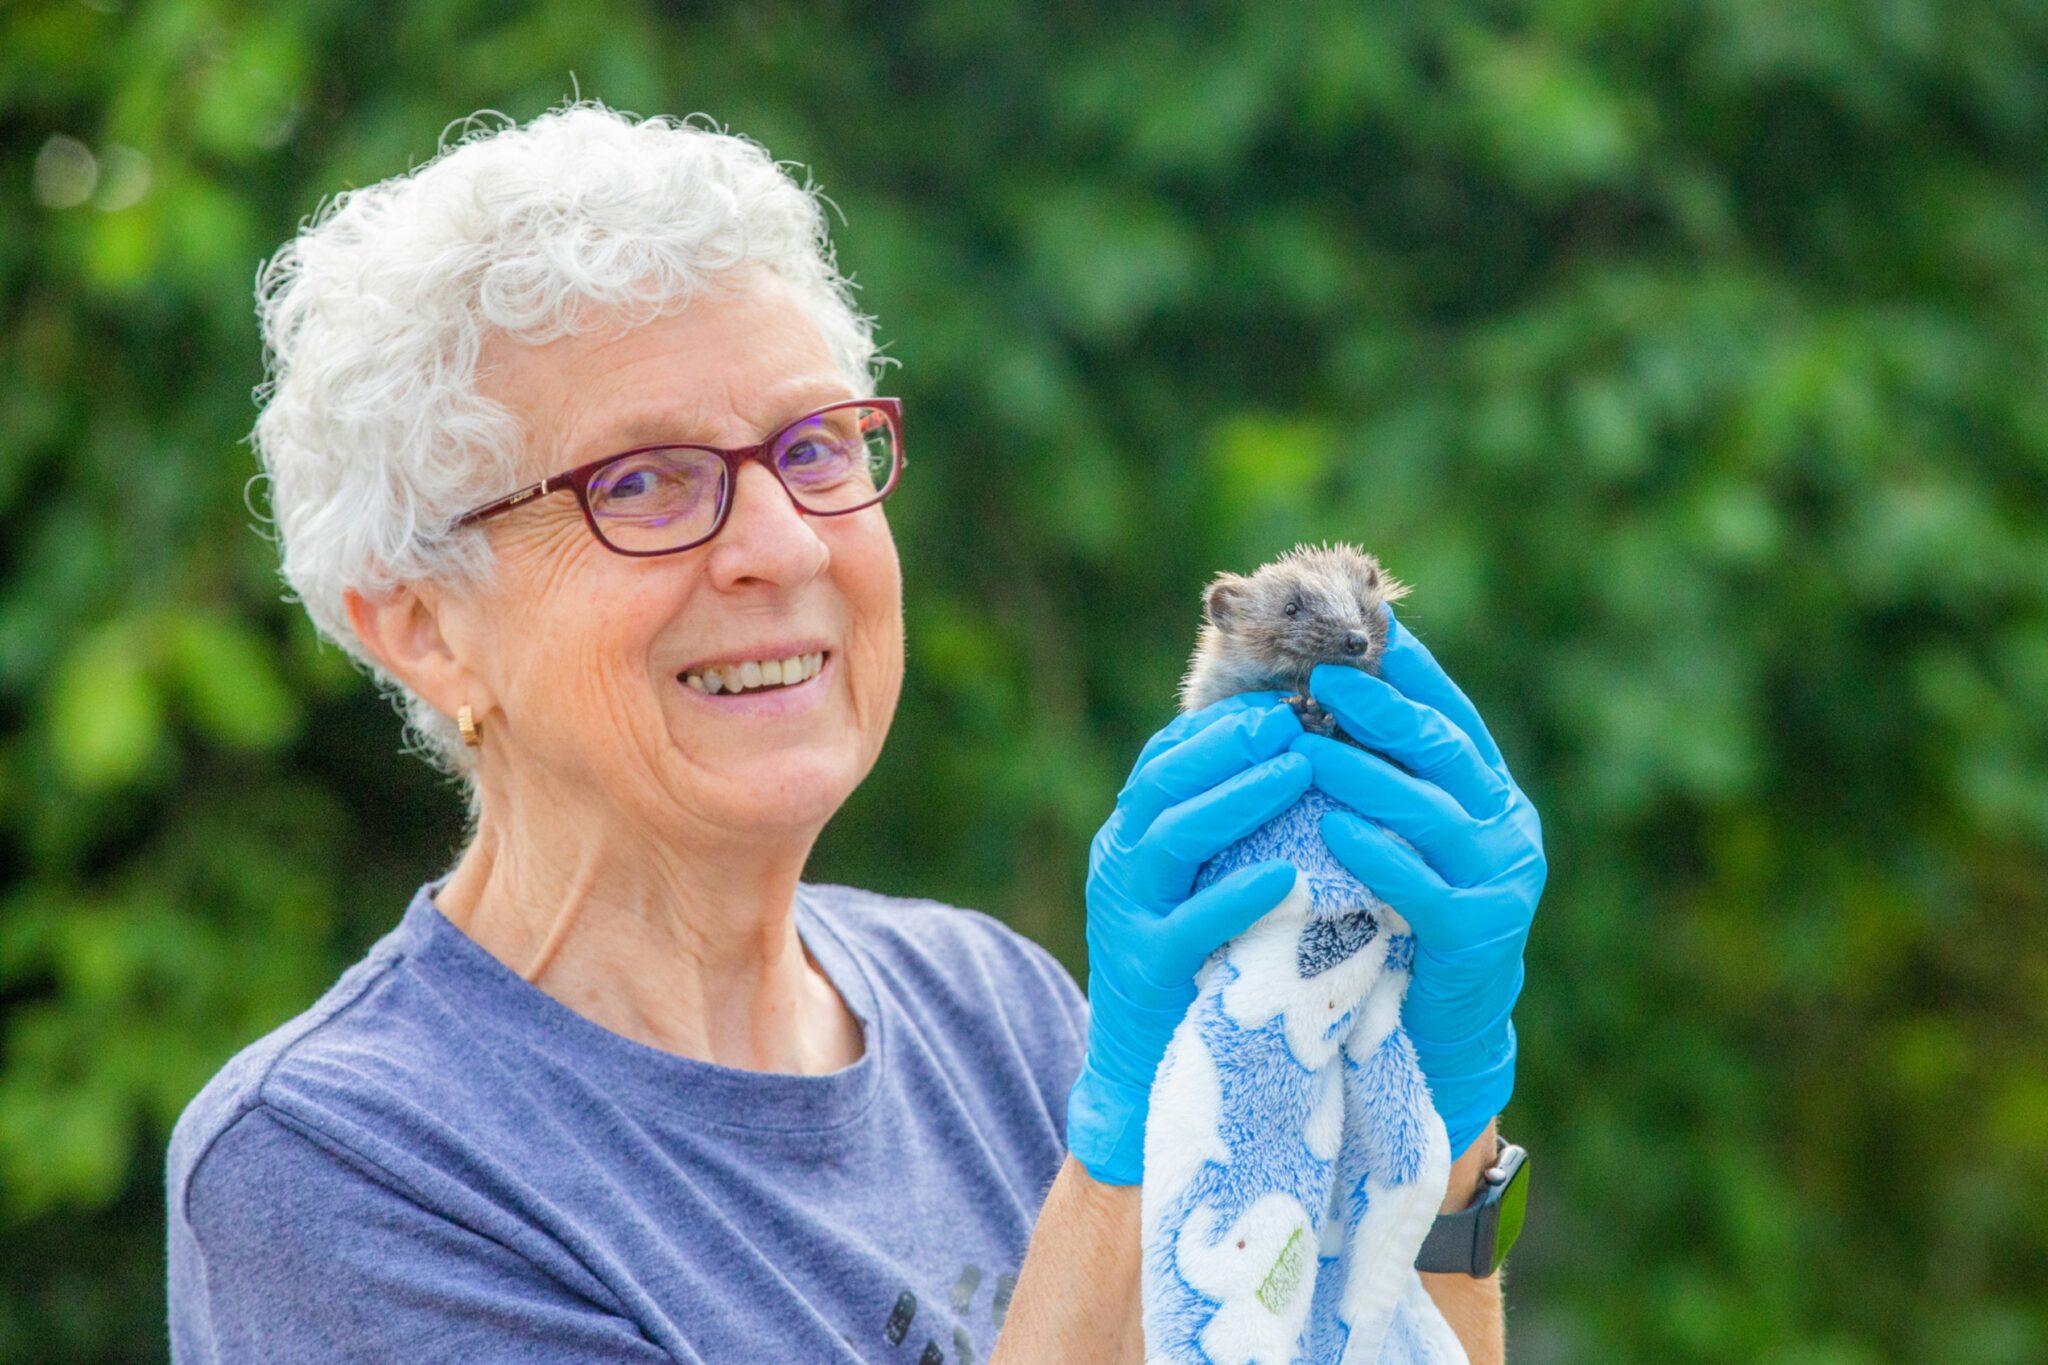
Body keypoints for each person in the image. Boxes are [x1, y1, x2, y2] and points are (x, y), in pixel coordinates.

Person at [165, 103, 1543, 1364]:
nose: (781, 540)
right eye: (643, 481)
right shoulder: (338, 1162)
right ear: (421, 624)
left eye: (815, 447)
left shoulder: (994, 1009)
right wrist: (1125, 1156)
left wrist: (1432, 1122)